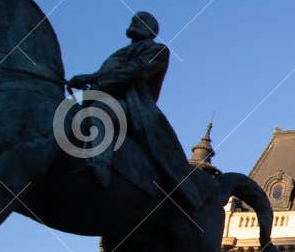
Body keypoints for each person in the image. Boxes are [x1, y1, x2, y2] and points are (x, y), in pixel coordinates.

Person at [66, 12, 210, 209]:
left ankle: (97, 165)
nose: (133, 23)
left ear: (150, 29)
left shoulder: (158, 51)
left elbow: (137, 71)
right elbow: (106, 73)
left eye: (139, 21)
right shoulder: (120, 52)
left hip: (134, 106)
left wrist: (94, 79)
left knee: (100, 114)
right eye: (133, 20)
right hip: (103, 96)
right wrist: (87, 78)